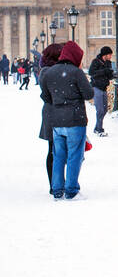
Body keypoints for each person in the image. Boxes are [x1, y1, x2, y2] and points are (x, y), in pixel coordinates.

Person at [40, 41, 94, 200]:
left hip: (57, 121)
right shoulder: (76, 73)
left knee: (58, 156)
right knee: (74, 156)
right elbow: (89, 94)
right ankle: (71, 190)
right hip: (75, 120)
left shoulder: (49, 72)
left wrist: (58, 101)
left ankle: (57, 190)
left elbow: (45, 96)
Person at [38, 43, 64, 189]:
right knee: (53, 149)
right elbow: (47, 94)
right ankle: (54, 184)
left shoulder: (51, 70)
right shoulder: (47, 71)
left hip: (56, 111)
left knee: (57, 149)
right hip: (53, 112)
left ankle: (58, 182)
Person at [87, 46, 115, 135]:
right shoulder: (96, 62)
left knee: (105, 109)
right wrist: (104, 71)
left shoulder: (108, 63)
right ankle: (99, 129)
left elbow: (109, 76)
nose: (111, 56)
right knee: (100, 110)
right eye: (110, 54)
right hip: (96, 87)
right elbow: (91, 73)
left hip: (104, 88)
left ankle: (97, 127)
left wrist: (113, 75)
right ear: (105, 55)